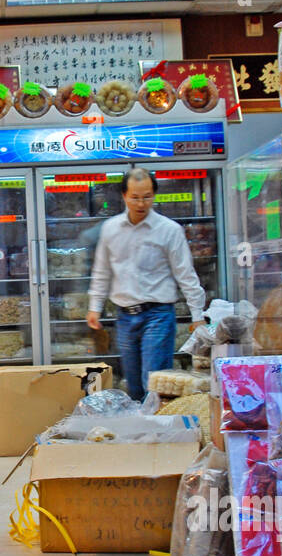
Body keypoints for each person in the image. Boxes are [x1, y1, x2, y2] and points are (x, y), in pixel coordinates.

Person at [87, 167, 206, 400]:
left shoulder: (169, 230)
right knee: (134, 385)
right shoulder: (111, 228)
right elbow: (102, 270)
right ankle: (144, 430)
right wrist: (95, 307)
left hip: (158, 315)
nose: (141, 203)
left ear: (154, 194)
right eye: (135, 197)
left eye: (147, 197)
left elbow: (185, 273)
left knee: (153, 382)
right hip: (124, 316)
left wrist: (197, 314)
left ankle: (157, 432)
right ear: (124, 195)